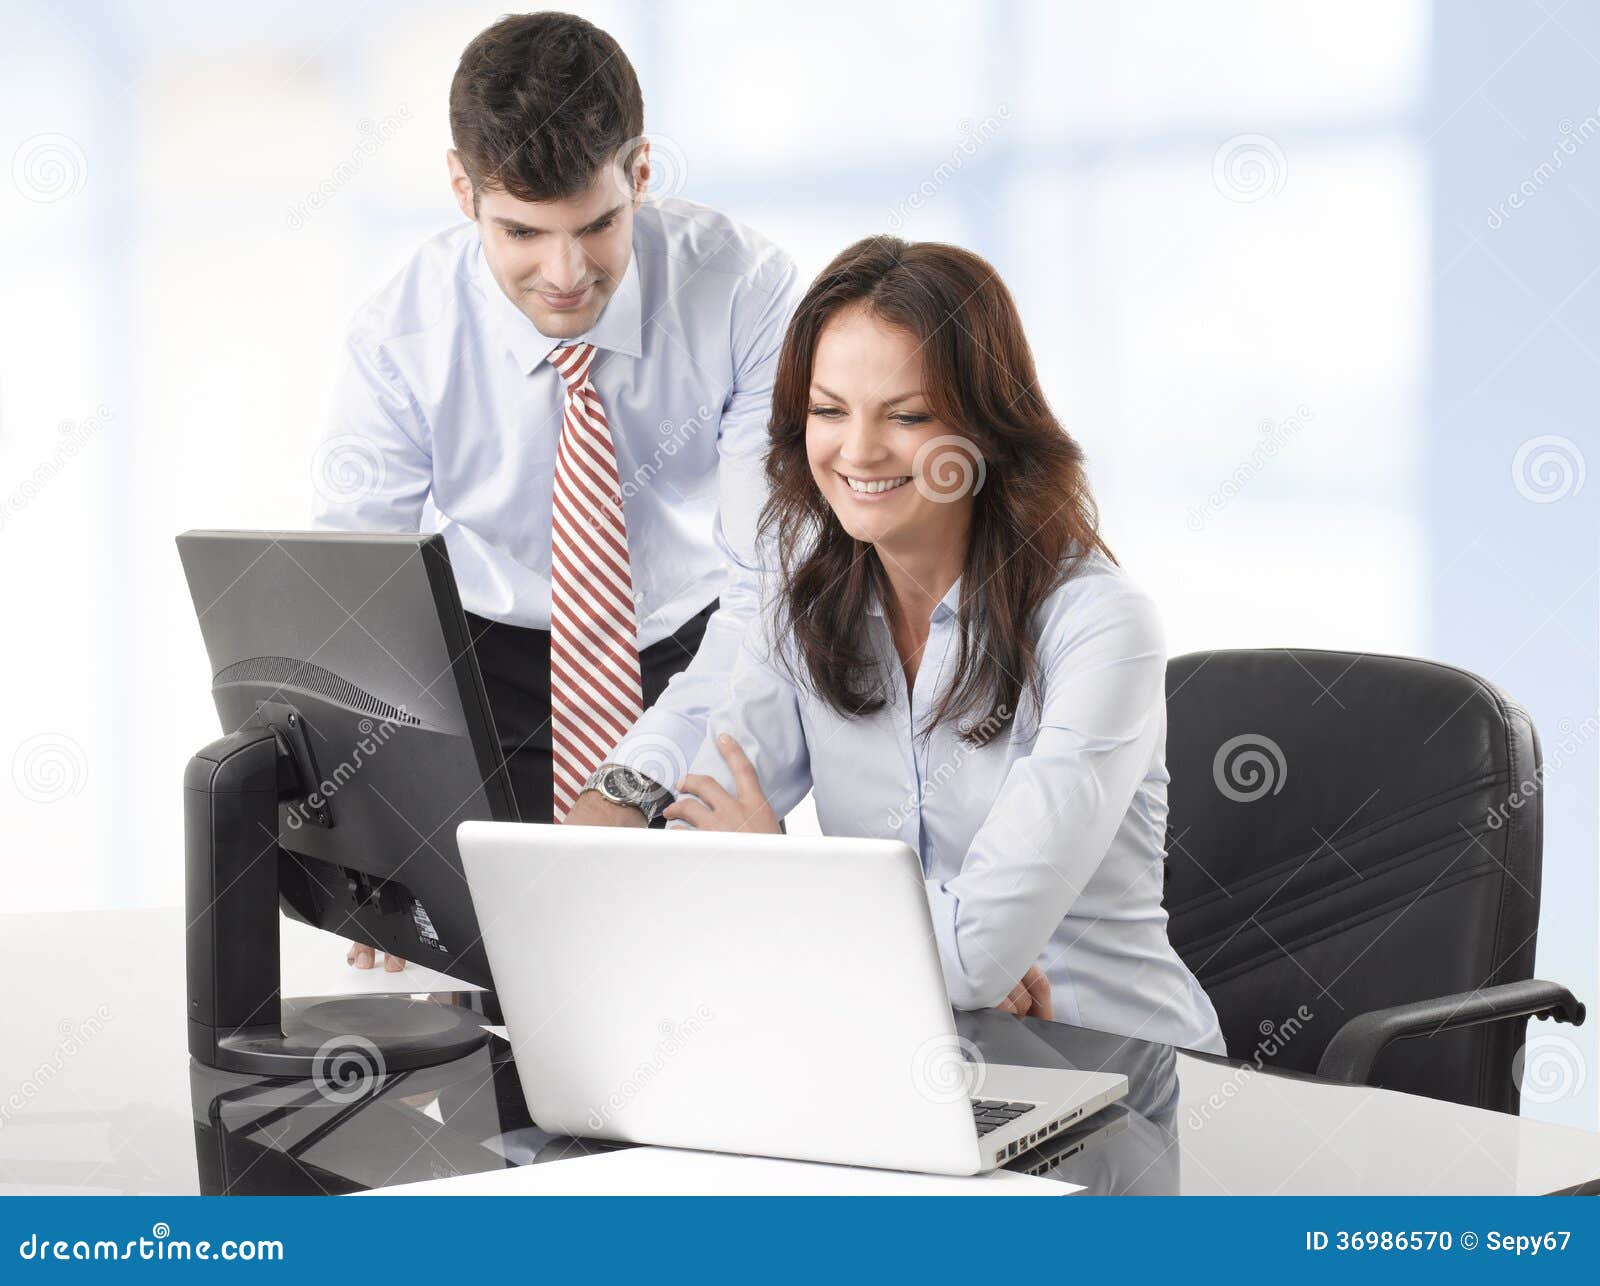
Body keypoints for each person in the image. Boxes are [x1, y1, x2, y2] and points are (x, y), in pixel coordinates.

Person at [313, 12, 799, 969]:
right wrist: (376, 829)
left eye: (599, 225)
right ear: (463, 188)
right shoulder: (399, 336)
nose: (566, 274)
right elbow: (357, 603)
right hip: (477, 677)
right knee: (494, 988)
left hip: (694, 649)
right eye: (522, 232)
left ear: (642, 172)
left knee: (697, 966)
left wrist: (635, 778)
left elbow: (766, 583)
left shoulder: (746, 290)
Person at [664, 236, 1227, 1051]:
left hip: (1121, 1080)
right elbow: (688, 858)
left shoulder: (1101, 629)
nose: (858, 452)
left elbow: (971, 958)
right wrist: (924, 964)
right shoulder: (802, 604)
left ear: (988, 431)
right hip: (912, 1056)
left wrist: (779, 879)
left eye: (909, 416)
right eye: (829, 411)